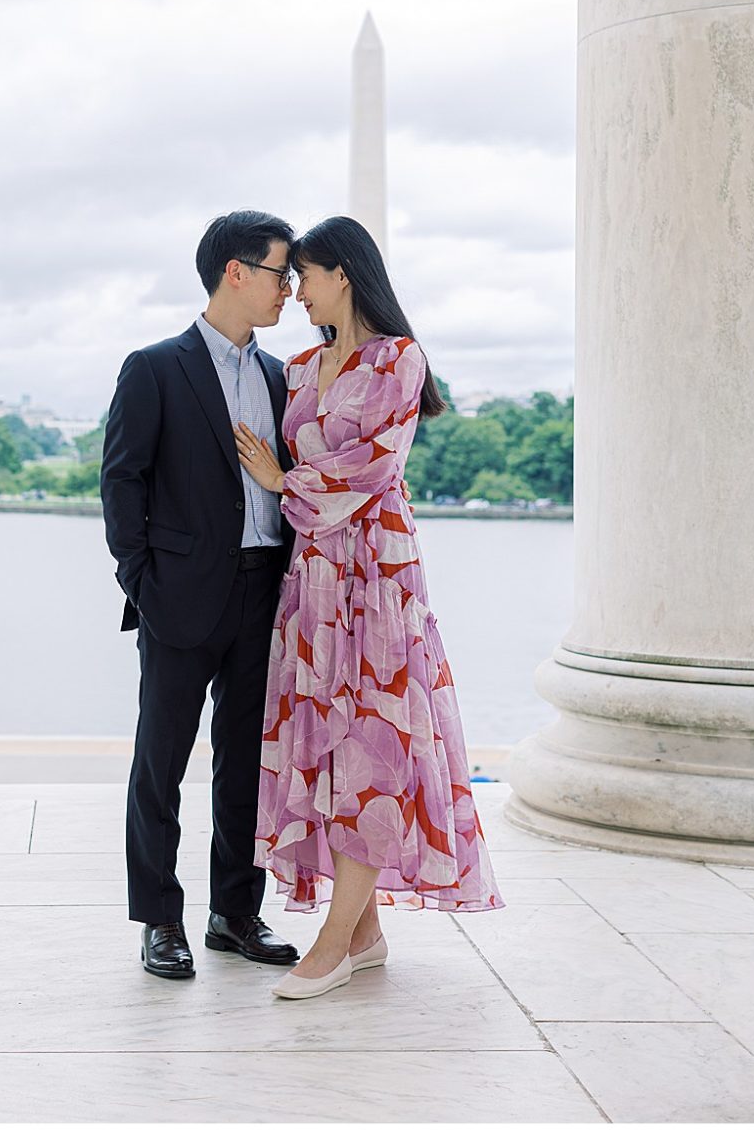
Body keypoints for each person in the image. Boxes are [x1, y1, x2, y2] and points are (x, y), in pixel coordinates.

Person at [231, 215, 503, 1001]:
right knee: (326, 743)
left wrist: (286, 484)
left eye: (305, 275)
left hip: (377, 579)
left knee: (371, 749)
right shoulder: (301, 367)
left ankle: (333, 945)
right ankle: (366, 931)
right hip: (313, 580)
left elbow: (373, 467)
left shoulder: (399, 359)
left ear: (341, 273)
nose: (296, 289)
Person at [102, 209, 305, 979]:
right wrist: (141, 581)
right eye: (280, 273)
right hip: (178, 596)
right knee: (161, 760)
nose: (288, 289)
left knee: (247, 763)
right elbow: (122, 480)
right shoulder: (153, 367)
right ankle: (159, 917)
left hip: (265, 592)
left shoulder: (284, 376)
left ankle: (234, 911)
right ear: (235, 272)